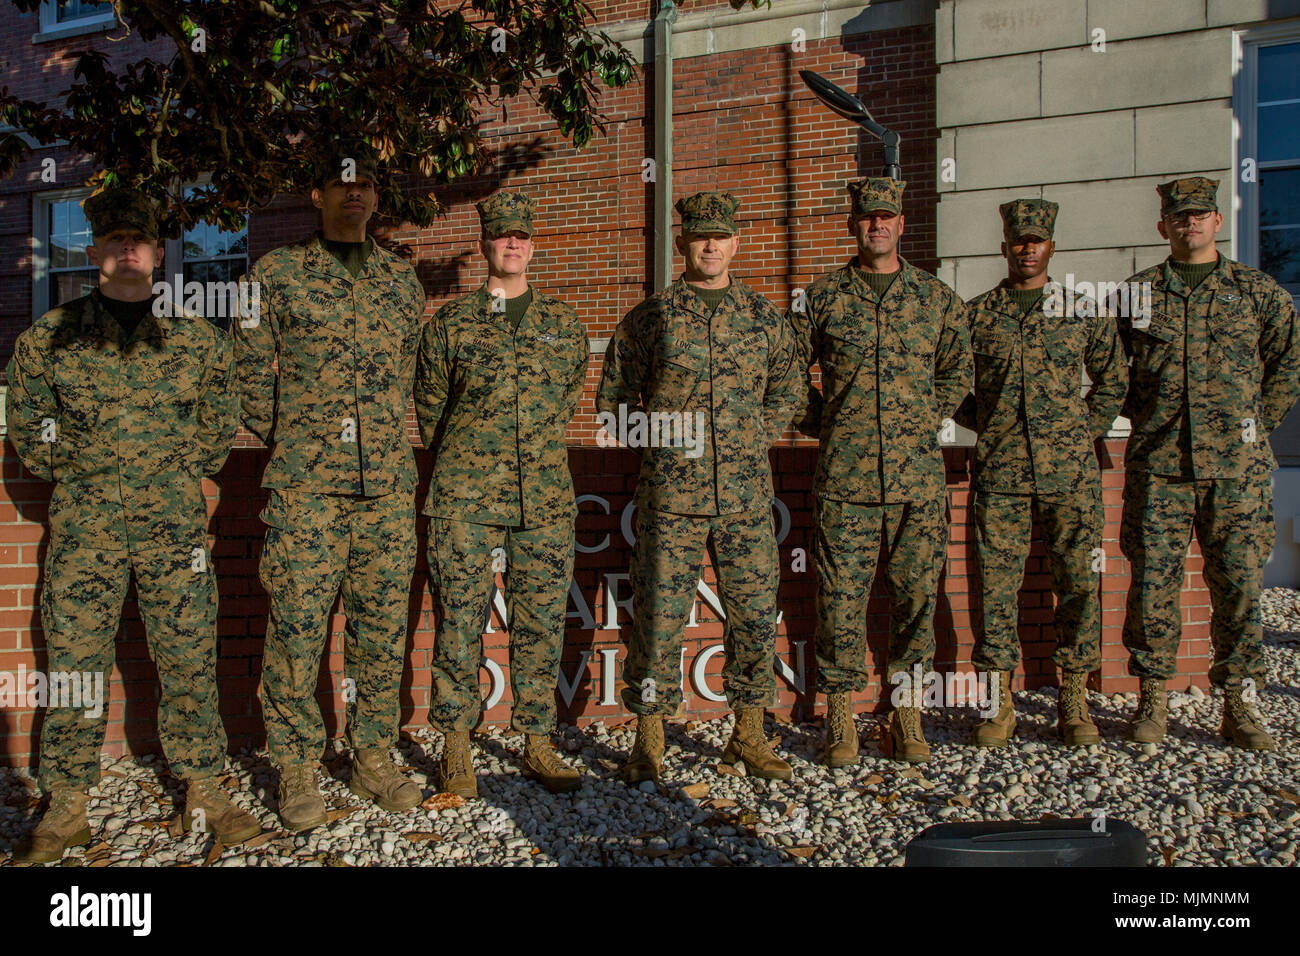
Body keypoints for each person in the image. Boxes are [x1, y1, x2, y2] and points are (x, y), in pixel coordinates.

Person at [8, 186, 258, 861]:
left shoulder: (194, 340)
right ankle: (66, 806)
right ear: (94, 251)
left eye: (138, 241)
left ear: (156, 253)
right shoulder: (52, 337)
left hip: (172, 526)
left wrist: (180, 466)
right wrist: (77, 463)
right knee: (75, 664)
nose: (126, 250)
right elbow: (27, 422)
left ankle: (206, 786)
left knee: (187, 656)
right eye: (113, 240)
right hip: (86, 528)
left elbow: (218, 422)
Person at [233, 144, 426, 830]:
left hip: (386, 492)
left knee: (380, 629)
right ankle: (295, 766)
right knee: (298, 629)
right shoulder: (277, 276)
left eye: (367, 185)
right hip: (307, 490)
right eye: (342, 184)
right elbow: (249, 375)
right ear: (317, 195)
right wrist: (299, 437)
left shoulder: (403, 282)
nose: (356, 195)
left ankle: (371, 756)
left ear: (376, 198)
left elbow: (406, 376)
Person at [597, 191, 803, 783]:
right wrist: (663, 444)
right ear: (682, 243)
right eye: (699, 236)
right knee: (660, 614)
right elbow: (612, 402)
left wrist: (751, 433)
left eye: (721, 236)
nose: (710, 245)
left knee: (755, 613)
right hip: (672, 498)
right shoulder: (651, 318)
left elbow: (789, 389)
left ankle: (749, 734)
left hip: (743, 497)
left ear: (736, 242)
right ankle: (649, 738)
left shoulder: (765, 319)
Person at [791, 178, 972, 765]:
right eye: (867, 217)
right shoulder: (822, 298)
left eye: (886, 217)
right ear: (854, 224)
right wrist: (831, 422)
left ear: (902, 223)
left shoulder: (935, 298)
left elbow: (957, 371)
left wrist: (922, 415)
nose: (877, 226)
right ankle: (840, 717)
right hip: (846, 480)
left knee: (917, 595)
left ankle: (905, 713)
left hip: (918, 480)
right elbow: (787, 375)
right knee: (840, 597)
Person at [413, 191, 588, 796]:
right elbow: (431, 409)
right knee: (460, 621)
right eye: (501, 236)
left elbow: (566, 403)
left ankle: (537, 740)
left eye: (522, 236)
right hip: (463, 497)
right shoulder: (452, 325)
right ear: (486, 244)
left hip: (541, 499)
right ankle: (456, 744)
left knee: (541, 622)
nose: (512, 245)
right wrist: (470, 452)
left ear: (532, 246)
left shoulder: (563, 326)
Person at [1117, 176, 1300, 750]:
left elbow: (1287, 367)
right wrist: (1149, 421)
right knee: (1152, 585)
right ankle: (1153, 702)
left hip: (1236, 474)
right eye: (1179, 216)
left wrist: (1250, 428)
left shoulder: (1258, 292)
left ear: (1217, 222)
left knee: (1240, 586)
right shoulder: (1134, 295)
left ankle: (1240, 708)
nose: (1189, 223)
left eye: (1200, 214)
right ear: (1162, 226)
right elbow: (1110, 372)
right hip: (1160, 468)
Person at [956, 199, 1125, 747]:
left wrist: (1080, 431)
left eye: (1037, 241)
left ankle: (1073, 703)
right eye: (1018, 242)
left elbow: (1113, 382)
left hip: (1069, 476)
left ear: (1052, 247)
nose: (1028, 250)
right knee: (995, 586)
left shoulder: (1082, 312)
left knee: (1077, 584)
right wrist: (991, 428)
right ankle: (999, 703)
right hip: (1000, 474)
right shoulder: (976, 315)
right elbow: (955, 386)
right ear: (1004, 248)